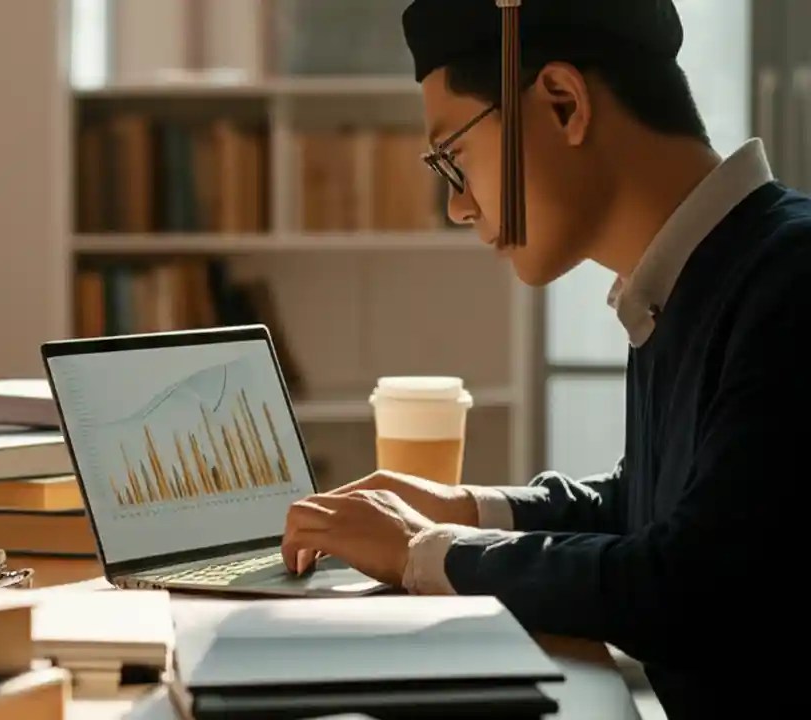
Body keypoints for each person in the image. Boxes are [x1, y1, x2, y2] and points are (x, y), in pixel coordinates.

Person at [280, 0, 807, 715]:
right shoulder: (706, 275)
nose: (457, 207)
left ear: (563, 105)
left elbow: (694, 584)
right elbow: (649, 507)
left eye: (454, 156)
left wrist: (424, 552)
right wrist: (466, 508)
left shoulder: (792, 280)